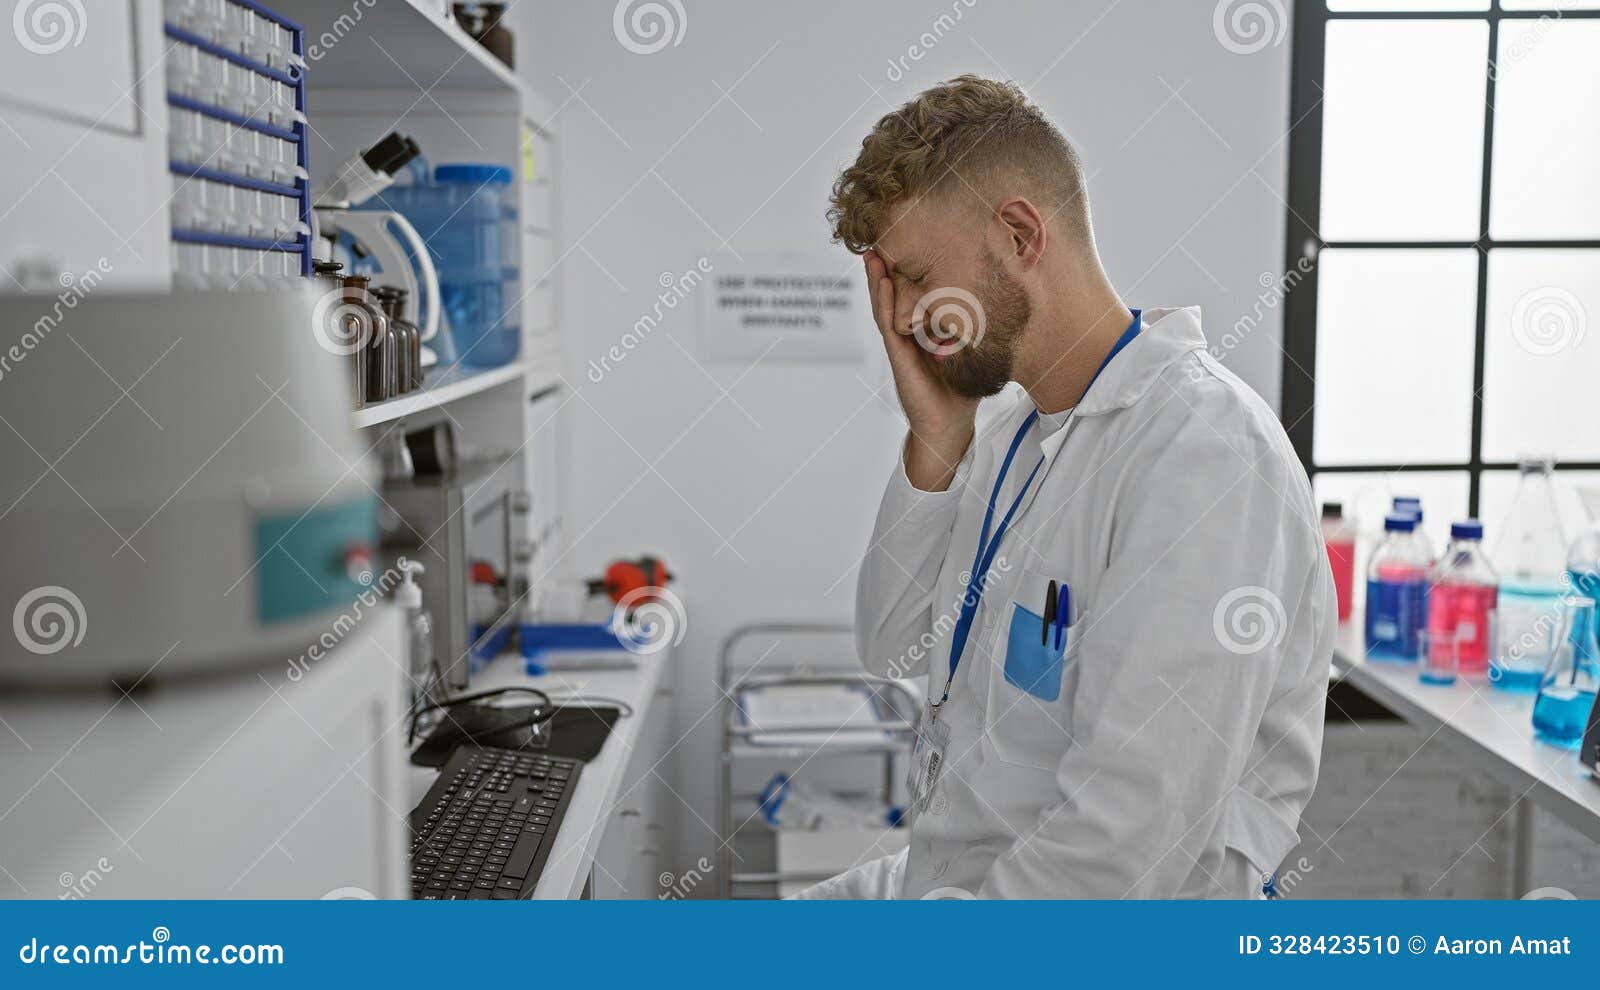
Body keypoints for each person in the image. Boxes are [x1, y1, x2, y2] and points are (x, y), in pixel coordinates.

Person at [795, 76, 1332, 899]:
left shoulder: (1205, 456)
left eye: (913, 275)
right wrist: (937, 441)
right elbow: (891, 642)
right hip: (955, 888)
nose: (898, 317)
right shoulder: (1016, 431)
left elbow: (1121, 850)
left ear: (1018, 235)